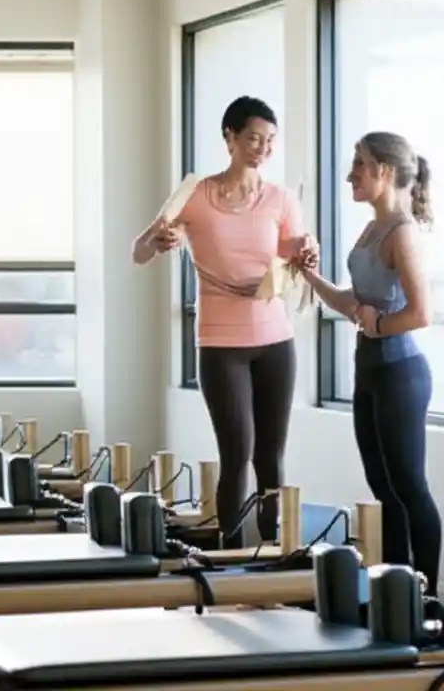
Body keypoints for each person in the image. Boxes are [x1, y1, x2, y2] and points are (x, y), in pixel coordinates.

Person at [131, 96, 316, 548]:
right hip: (219, 343)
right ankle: (229, 560)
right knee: (237, 454)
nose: (262, 148)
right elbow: (138, 251)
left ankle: (275, 553)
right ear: (229, 138)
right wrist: (160, 239)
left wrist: (307, 252)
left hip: (276, 339)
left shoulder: (281, 198)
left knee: (271, 457)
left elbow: (296, 262)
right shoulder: (194, 194)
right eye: (253, 137)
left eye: (270, 140)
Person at [300, 131, 443, 595]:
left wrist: (375, 325)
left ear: (384, 171)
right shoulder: (371, 228)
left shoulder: (402, 232)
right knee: (384, 491)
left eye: (358, 165)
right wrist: (308, 275)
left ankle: (429, 600)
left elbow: (421, 313)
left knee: (409, 489)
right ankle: (398, 597)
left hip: (401, 372)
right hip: (370, 370)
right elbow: (354, 303)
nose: (350, 175)